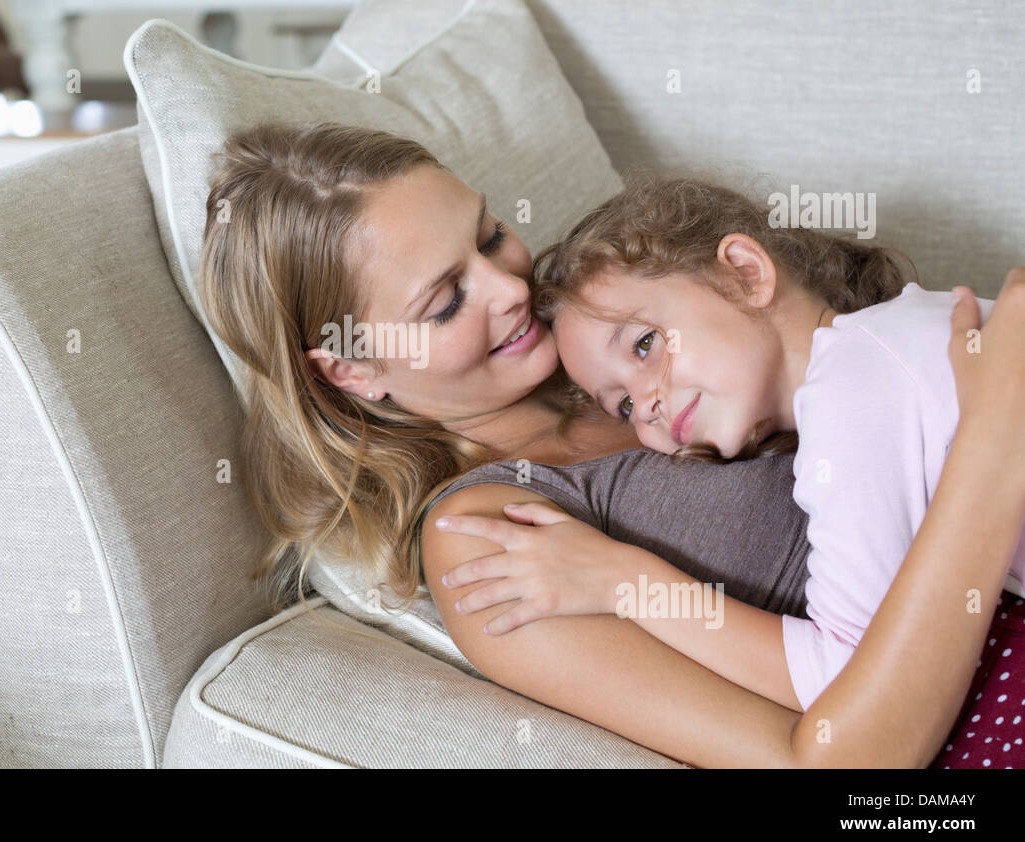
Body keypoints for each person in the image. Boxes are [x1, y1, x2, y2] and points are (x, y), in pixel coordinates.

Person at [198, 121, 1025, 767]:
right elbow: (843, 766)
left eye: (489, 238)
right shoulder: (488, 540)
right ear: (352, 370)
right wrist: (993, 447)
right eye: (446, 302)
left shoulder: (606, 326)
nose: (512, 289)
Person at [435, 175, 1025, 767]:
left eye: (644, 346)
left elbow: (842, 674)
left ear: (745, 272)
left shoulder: (854, 392)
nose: (647, 405)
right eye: (623, 406)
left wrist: (624, 581)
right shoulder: (898, 335)